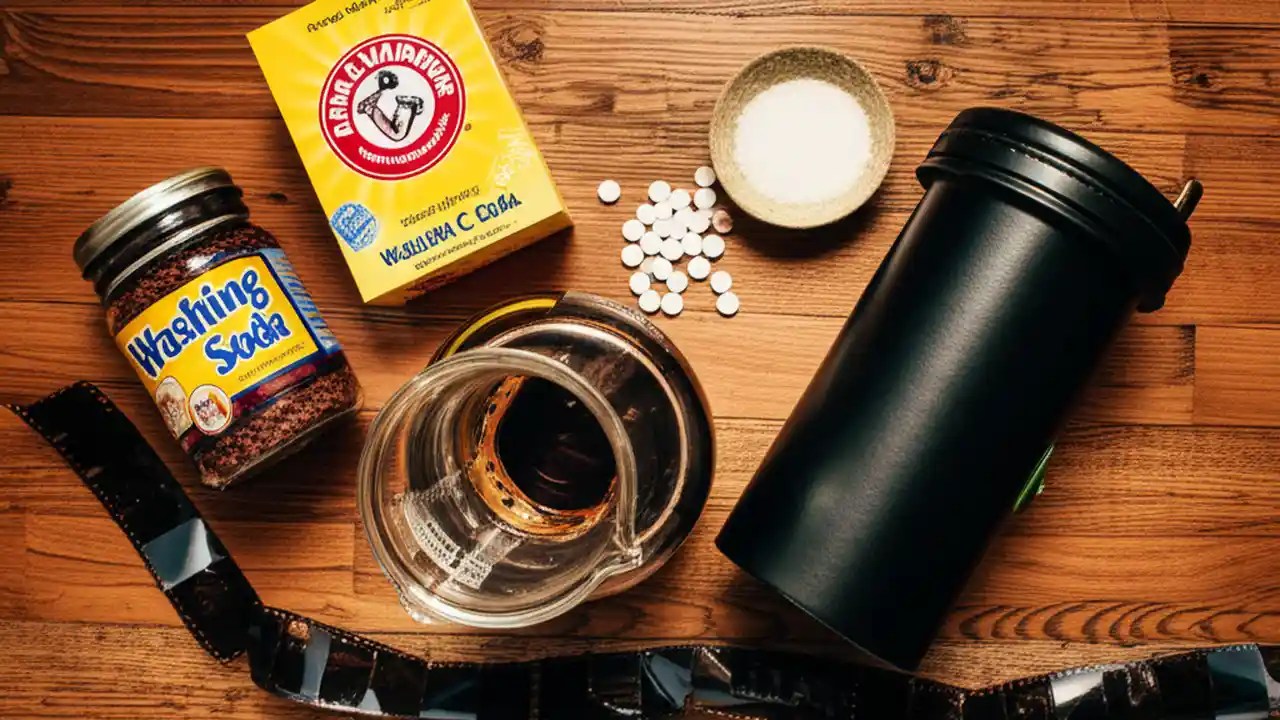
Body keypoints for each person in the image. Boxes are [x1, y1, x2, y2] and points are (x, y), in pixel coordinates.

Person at [355, 70, 426, 142]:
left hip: (395, 131)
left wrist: (398, 112)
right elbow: (395, 128)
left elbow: (395, 128)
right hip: (395, 131)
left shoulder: (374, 110)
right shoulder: (373, 110)